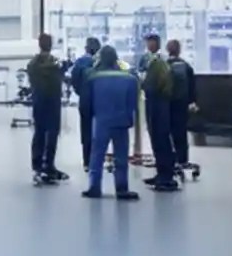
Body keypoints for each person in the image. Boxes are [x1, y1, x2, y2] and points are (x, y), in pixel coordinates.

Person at [81, 45, 140, 201]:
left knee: (97, 155)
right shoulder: (130, 79)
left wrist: (90, 117)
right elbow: (133, 103)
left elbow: (86, 104)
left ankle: (94, 187)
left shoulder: (93, 78)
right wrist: (129, 119)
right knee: (121, 157)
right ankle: (122, 188)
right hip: (122, 121)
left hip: (101, 121)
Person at [138, 34, 178, 191]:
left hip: (159, 103)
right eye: (148, 42)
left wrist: (143, 84)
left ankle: (166, 176)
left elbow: (155, 84)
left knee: (161, 139)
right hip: (154, 102)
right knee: (156, 138)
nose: (149, 45)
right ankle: (161, 173)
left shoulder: (159, 62)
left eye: (151, 42)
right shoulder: (151, 61)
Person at [27, 33, 67, 182]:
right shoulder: (56, 64)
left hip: (38, 102)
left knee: (39, 133)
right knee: (52, 134)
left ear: (39, 44)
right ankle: (49, 166)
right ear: (51, 45)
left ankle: (37, 167)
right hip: (53, 103)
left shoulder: (32, 64)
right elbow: (61, 75)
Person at [70, 37, 102, 172]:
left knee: (86, 130)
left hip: (85, 101)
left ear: (86, 48)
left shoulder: (80, 63)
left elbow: (74, 80)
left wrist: (81, 92)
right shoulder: (100, 63)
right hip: (100, 101)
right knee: (100, 132)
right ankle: (97, 160)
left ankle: (87, 161)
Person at [165, 39, 196, 170]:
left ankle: (169, 160)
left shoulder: (164, 65)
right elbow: (192, 86)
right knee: (181, 133)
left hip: (167, 105)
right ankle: (182, 159)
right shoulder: (186, 66)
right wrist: (192, 101)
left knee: (167, 133)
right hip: (182, 105)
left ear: (167, 50)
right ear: (179, 50)